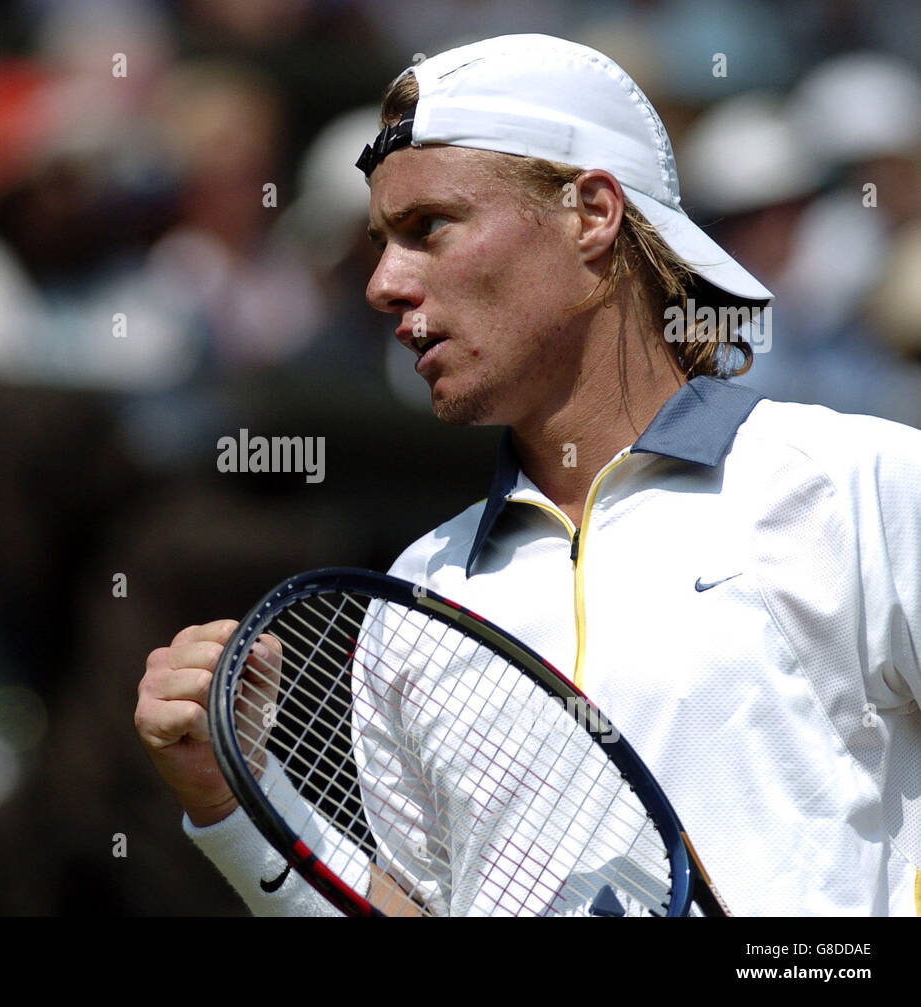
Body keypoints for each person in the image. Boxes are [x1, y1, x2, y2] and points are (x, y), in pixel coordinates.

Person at [134, 34, 921, 916]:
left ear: (592, 212)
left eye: (428, 227)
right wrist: (233, 803)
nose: (384, 283)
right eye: (382, 241)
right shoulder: (416, 595)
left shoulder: (864, 484)